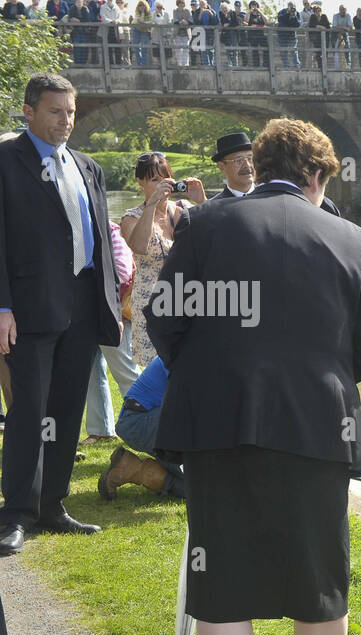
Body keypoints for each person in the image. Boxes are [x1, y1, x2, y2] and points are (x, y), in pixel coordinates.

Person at [145, 118, 361, 635]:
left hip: (218, 424)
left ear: (260, 164)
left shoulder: (203, 227)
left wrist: (211, 371)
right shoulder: (352, 238)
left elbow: (164, 321)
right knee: (320, 580)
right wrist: (325, 378)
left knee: (221, 585)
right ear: (317, 174)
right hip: (320, 429)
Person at [0, 74, 123, 557]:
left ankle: (52, 505)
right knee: (29, 411)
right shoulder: (6, 162)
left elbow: (101, 243)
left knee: (67, 410)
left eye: (70, 112)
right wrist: (2, 306)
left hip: (82, 304)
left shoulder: (87, 166)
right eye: (55, 112)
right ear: (28, 112)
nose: (65, 121)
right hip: (29, 308)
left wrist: (108, 304)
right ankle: (14, 513)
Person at [119, 152, 206, 370]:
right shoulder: (131, 217)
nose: (162, 185)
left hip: (187, 300)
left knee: (190, 366)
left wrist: (202, 202)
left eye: (164, 179)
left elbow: (213, 239)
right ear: (140, 182)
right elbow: (139, 246)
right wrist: (152, 205)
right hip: (150, 304)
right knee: (155, 371)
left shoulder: (184, 210)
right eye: (154, 180)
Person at [83, 219, 141, 444]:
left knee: (126, 372)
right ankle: (101, 430)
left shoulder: (111, 231)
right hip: (85, 316)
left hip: (110, 314)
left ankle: (144, 423)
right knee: (92, 372)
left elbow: (123, 272)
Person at [99, 356, 184, 498]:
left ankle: (131, 467)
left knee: (215, 484)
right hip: (140, 422)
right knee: (208, 488)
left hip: (148, 419)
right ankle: (138, 471)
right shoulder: (183, 354)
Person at [209, 131, 255, 198]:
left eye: (250, 158)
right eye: (239, 160)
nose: (247, 165)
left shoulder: (270, 198)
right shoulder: (214, 206)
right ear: (222, 166)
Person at [245, 0, 265, 66]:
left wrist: (260, 12)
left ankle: (266, 64)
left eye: (255, 5)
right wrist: (250, 12)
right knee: (255, 51)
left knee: (266, 49)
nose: (254, 7)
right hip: (252, 36)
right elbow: (246, 21)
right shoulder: (249, 14)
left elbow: (266, 21)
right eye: (252, 5)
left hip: (261, 35)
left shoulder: (260, 14)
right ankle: (256, 65)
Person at [331, 3, 350, 69]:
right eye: (341, 9)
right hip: (335, 35)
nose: (342, 11)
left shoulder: (348, 16)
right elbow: (335, 27)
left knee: (347, 49)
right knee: (335, 51)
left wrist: (341, 28)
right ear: (339, 10)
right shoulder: (335, 16)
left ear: (346, 10)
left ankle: (348, 67)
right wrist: (345, 28)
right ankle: (337, 67)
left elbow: (350, 27)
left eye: (343, 9)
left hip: (344, 34)